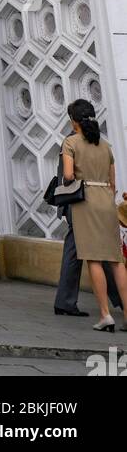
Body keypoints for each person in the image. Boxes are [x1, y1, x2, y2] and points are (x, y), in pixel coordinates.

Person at [60, 98, 127, 332]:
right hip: (106, 200)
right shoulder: (105, 145)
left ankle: (105, 315)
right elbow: (112, 182)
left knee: (94, 259)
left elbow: (68, 176)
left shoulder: (70, 142)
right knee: (116, 260)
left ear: (73, 121)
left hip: (85, 200)